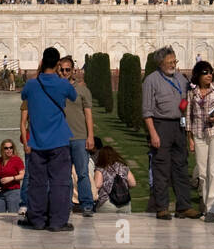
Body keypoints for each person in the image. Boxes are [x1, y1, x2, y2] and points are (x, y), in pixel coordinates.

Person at [19, 47, 77, 231]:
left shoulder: (31, 85)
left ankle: (37, 220)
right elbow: (73, 95)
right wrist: (61, 76)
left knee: (37, 182)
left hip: (37, 142)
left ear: (42, 62)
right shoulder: (63, 85)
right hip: (59, 141)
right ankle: (57, 222)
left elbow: (24, 95)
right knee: (60, 182)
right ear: (58, 64)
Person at [140, 47, 198, 220]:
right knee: (161, 168)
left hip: (179, 126)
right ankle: (162, 207)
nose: (173, 65)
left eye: (175, 61)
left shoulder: (181, 78)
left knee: (181, 167)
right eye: (170, 62)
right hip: (161, 126)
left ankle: (184, 206)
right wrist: (153, 134)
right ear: (161, 63)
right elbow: (147, 110)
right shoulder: (151, 80)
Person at [186, 61, 214, 221]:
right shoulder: (192, 93)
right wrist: (189, 138)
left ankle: (213, 210)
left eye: (211, 72)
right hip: (199, 135)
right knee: (203, 173)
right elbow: (188, 117)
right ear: (198, 75)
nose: (209, 75)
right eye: (205, 72)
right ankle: (205, 207)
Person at [57, 55, 95, 217]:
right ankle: (65, 204)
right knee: (63, 175)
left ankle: (87, 204)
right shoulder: (55, 89)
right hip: (61, 138)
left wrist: (90, 136)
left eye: (67, 70)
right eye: (62, 69)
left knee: (82, 173)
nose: (64, 73)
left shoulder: (81, 90)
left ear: (73, 70)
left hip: (79, 136)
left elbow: (88, 115)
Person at [93, 145, 135, 213]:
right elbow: (133, 183)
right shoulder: (123, 167)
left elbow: (97, 185)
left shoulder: (100, 169)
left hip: (107, 203)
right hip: (124, 203)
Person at [0, 139, 24, 213]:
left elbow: (23, 175)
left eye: (11, 147)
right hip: (0, 193)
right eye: (6, 148)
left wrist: (12, 178)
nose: (9, 150)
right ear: (2, 149)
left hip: (13, 192)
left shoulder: (17, 160)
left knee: (13, 217)